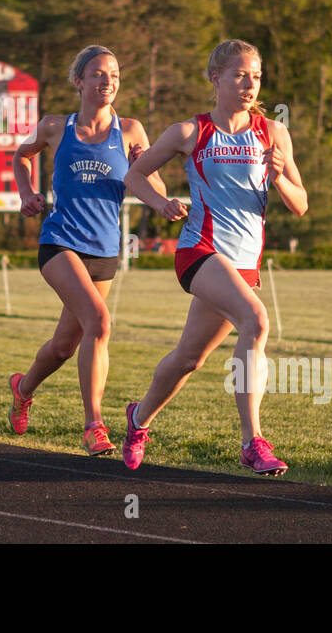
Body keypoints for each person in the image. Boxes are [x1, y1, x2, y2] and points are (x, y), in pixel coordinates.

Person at [120, 39, 308, 475]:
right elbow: (135, 174)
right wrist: (160, 204)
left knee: (189, 357)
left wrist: (278, 178)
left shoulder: (273, 133)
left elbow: (300, 204)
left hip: (243, 264)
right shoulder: (190, 132)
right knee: (257, 321)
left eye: (256, 76)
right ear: (216, 77)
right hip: (199, 251)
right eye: (240, 74)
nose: (249, 84)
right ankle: (252, 442)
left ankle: (138, 419)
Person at [8, 45, 166, 455]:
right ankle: (94, 424)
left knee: (65, 345)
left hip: (104, 251)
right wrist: (27, 193)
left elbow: (155, 187)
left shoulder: (130, 131)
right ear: (78, 81)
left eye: (113, 74)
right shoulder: (55, 127)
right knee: (99, 321)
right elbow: (21, 156)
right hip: (60, 241)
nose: (107, 81)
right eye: (97, 74)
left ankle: (23, 388)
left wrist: (150, 179)